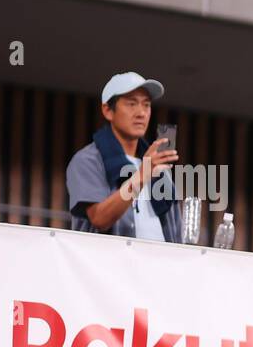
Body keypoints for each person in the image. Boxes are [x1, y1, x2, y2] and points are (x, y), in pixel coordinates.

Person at [66, 71, 182, 242]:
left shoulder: (156, 163)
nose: (141, 113)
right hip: (110, 266)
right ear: (108, 111)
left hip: (160, 264)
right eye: (131, 104)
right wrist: (141, 176)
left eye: (146, 105)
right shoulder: (88, 160)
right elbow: (99, 219)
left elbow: (175, 229)